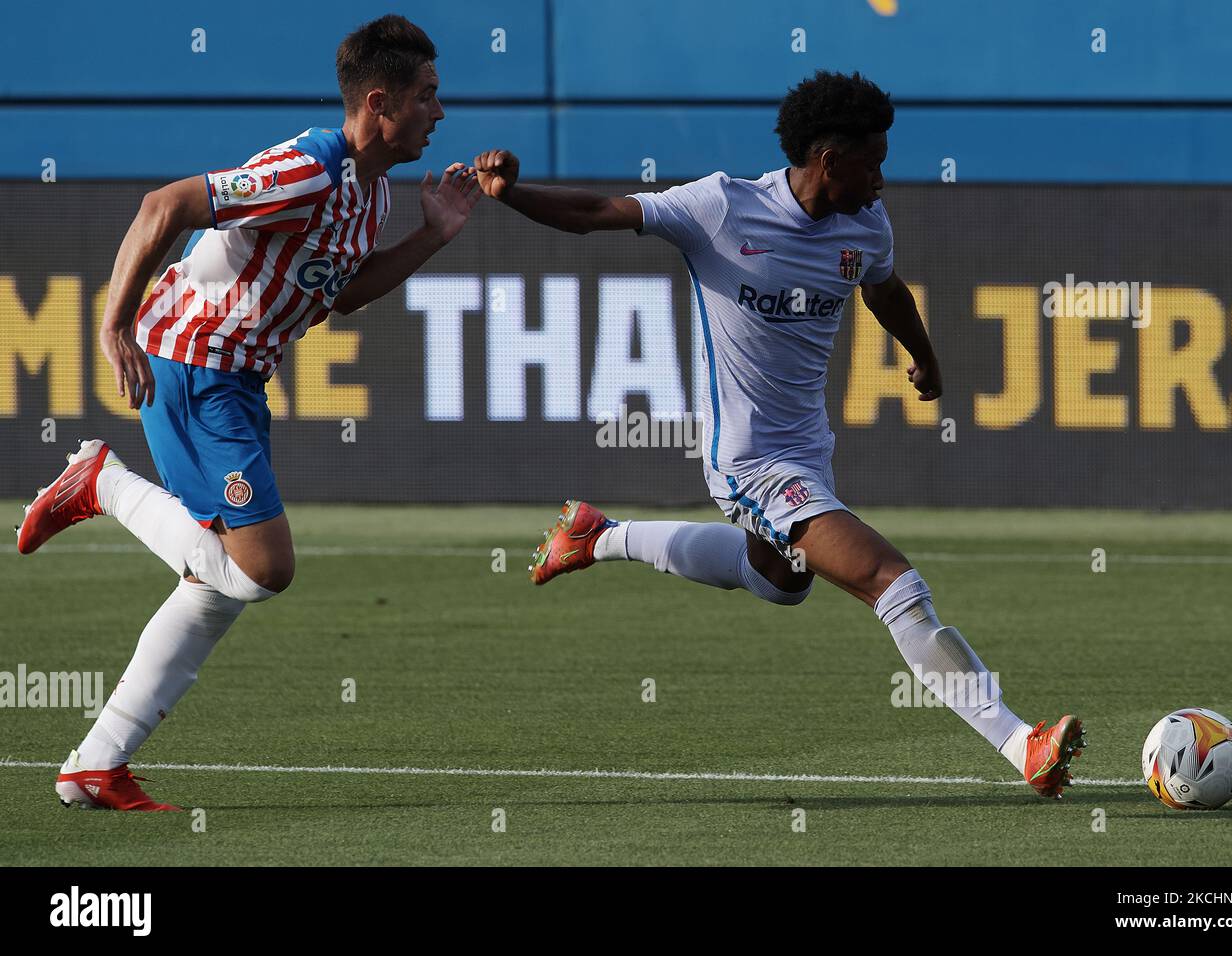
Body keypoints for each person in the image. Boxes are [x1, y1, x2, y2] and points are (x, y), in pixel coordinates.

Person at [474, 70, 1085, 798]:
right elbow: (595, 211)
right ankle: (1023, 746)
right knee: (892, 581)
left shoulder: (865, 226)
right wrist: (511, 194)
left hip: (810, 454)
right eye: (872, 162)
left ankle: (598, 535)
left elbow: (883, 286)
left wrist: (923, 354)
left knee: (780, 582)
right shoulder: (721, 207)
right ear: (829, 160)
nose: (882, 179)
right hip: (750, 462)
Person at [16, 14, 482, 811]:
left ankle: (93, 766)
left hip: (238, 381)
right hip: (194, 368)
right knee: (265, 568)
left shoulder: (370, 191)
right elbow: (164, 206)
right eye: (428, 96)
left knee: (220, 583)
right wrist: (112, 322)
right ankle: (102, 484)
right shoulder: (307, 169)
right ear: (380, 102)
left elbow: (341, 298)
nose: (441, 113)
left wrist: (433, 235)